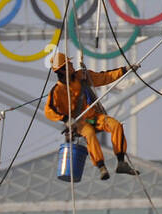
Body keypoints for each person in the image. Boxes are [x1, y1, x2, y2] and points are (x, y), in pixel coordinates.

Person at [43, 50, 134, 180]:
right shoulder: (57, 91)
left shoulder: (82, 76)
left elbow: (103, 77)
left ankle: (121, 161)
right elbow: (48, 111)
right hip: (78, 123)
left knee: (116, 125)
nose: (72, 65)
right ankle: (101, 166)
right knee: (89, 133)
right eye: (69, 64)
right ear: (63, 70)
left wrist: (125, 70)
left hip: (94, 117)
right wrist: (65, 119)